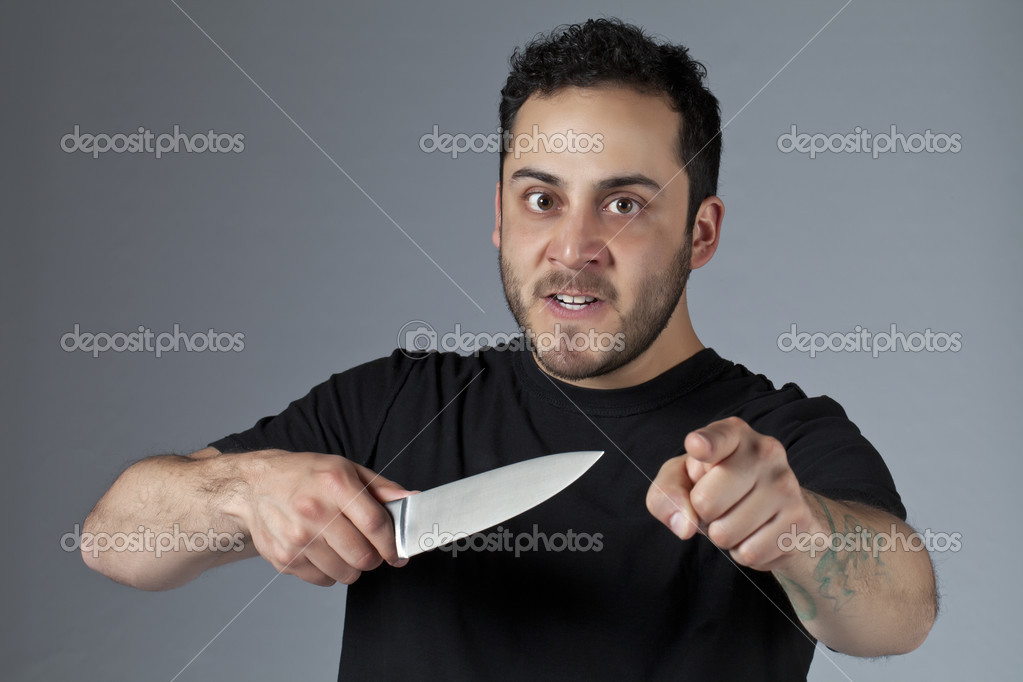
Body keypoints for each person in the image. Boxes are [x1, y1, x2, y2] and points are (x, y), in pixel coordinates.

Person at [82, 18, 937, 680]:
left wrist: (796, 531)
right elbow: (114, 541)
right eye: (540, 199)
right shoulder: (393, 403)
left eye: (625, 204)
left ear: (700, 233)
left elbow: (902, 612)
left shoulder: (778, 437)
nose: (573, 246)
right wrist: (242, 491)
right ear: (497, 215)